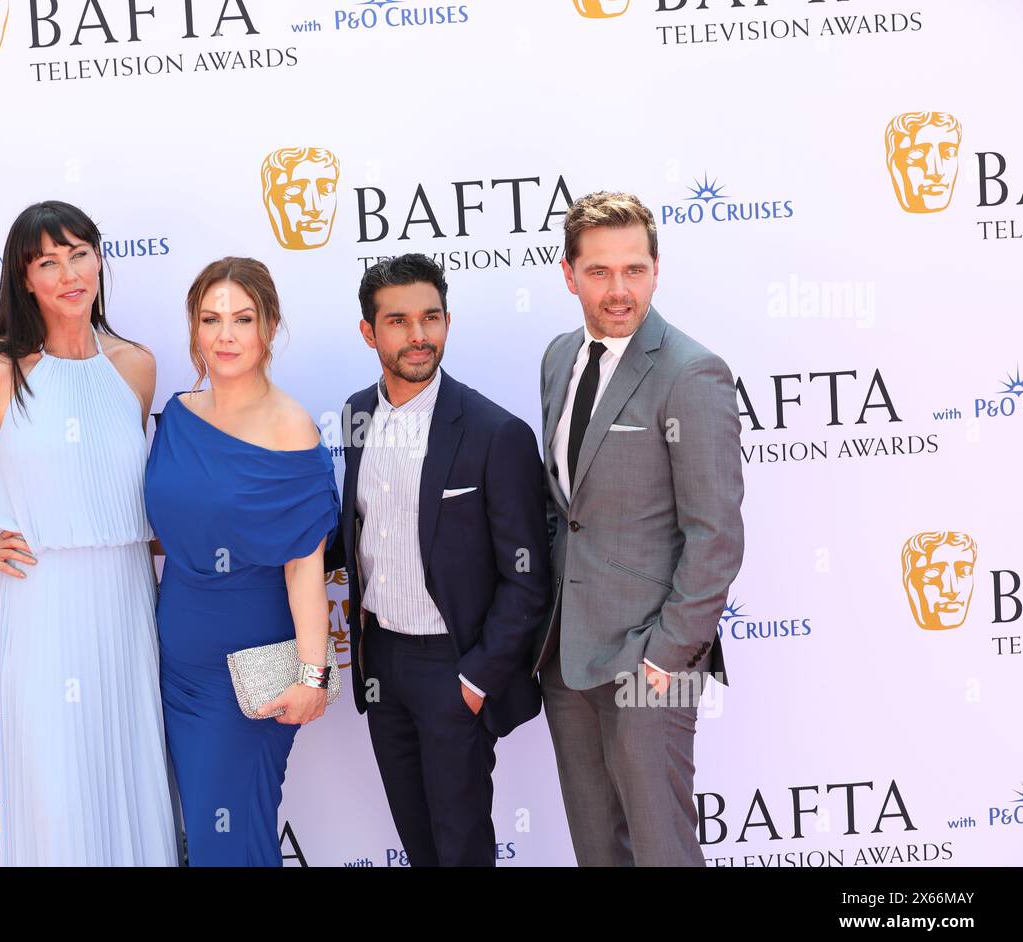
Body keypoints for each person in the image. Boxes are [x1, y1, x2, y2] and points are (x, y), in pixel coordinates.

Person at [0, 200, 179, 866]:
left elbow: (125, 493)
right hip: (44, 601)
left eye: (79, 253)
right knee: (58, 787)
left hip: (129, 599)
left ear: (100, 259)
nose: (69, 273)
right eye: (49, 262)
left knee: (133, 770)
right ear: (25, 280)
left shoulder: (135, 365)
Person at [534, 191, 744, 866]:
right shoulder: (559, 357)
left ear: (656, 269)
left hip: (651, 660)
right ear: (569, 275)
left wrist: (667, 655)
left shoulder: (692, 373)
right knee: (598, 851)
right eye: (599, 271)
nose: (618, 289)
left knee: (662, 851)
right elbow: (566, 505)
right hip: (567, 660)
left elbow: (715, 534)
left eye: (634, 269)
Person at [328, 253, 549, 867]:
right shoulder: (357, 414)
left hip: (453, 665)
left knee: (461, 848)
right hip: (382, 662)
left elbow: (527, 578)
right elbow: (356, 535)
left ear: (447, 322)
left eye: (431, 318)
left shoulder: (493, 433)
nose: (418, 335)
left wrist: (476, 679)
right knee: (419, 843)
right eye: (397, 321)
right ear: (369, 332)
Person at [145, 256, 339, 867]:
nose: (225, 335)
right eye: (210, 319)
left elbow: (304, 566)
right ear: (194, 329)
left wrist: (312, 676)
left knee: (227, 842)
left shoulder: (291, 428)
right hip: (172, 661)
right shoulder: (177, 415)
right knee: (200, 835)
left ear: (270, 326)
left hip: (248, 672)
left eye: (242, 319)